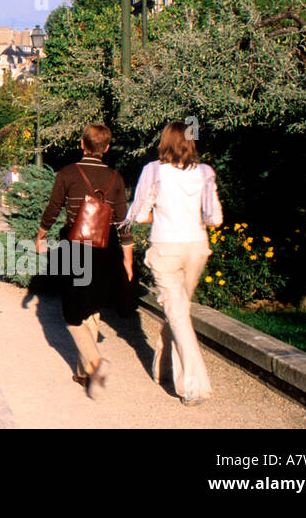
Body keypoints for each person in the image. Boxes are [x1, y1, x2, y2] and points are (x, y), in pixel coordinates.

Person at [126, 122, 223, 406]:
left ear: (165, 142)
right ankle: (163, 368)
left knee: (177, 313)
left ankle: (193, 385)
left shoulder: (153, 170)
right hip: (196, 247)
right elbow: (214, 218)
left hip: (167, 246)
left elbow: (140, 215)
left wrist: (165, 213)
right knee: (178, 310)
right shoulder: (205, 172)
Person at [36, 123, 131, 398]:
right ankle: (83, 372)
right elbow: (123, 222)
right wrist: (127, 258)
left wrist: (41, 235)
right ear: (107, 147)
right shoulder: (116, 178)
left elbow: (54, 207)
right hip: (106, 247)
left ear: (82, 144)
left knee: (72, 313)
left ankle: (96, 362)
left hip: (76, 246)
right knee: (90, 306)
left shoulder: (68, 173)